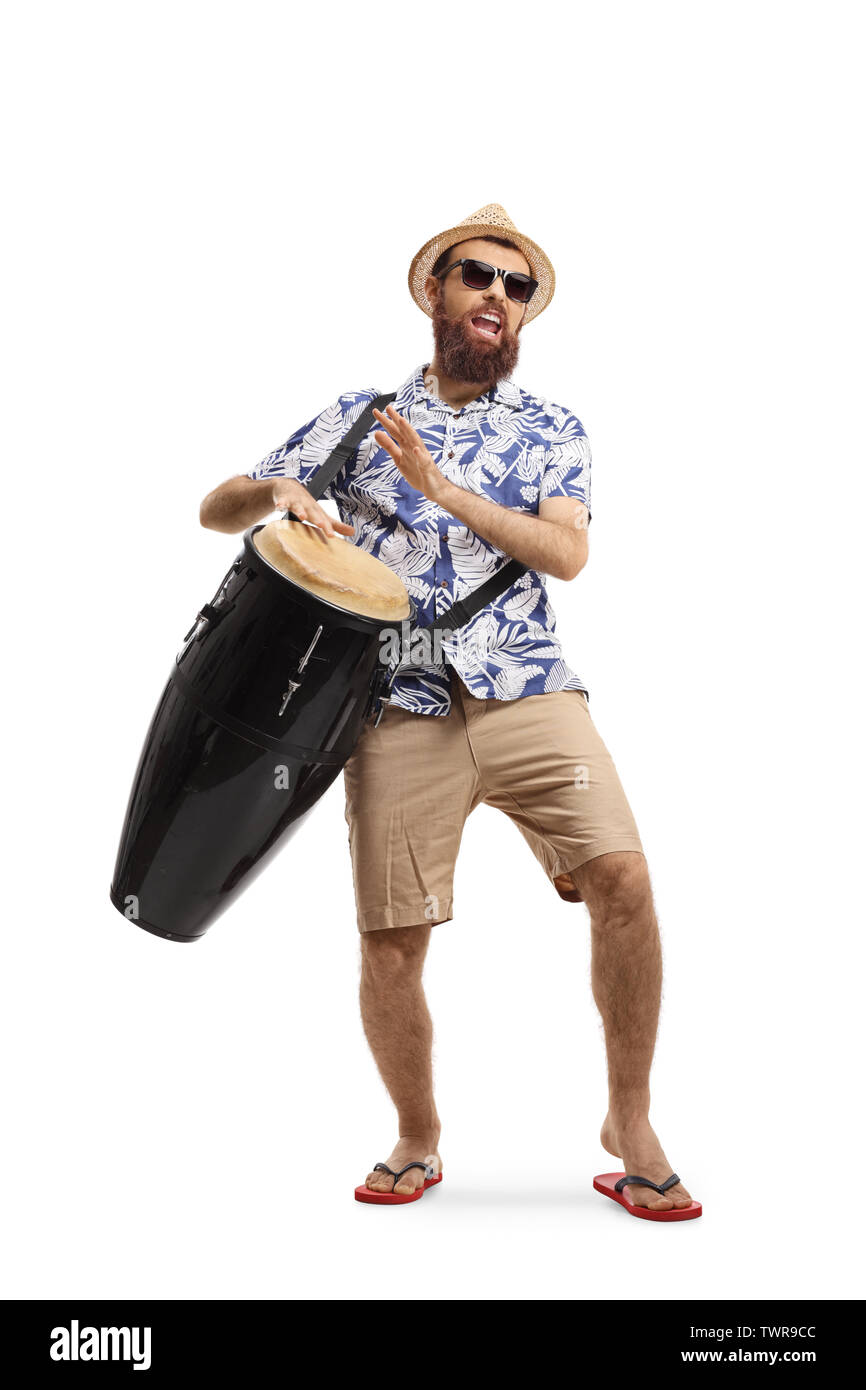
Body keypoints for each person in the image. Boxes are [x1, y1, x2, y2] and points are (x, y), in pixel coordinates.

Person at [200, 204, 696, 1217]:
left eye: (518, 287)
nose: (497, 296)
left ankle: (630, 1119)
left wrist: (443, 491)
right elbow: (216, 510)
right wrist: (276, 490)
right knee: (392, 939)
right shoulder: (357, 415)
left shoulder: (553, 427)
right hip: (394, 703)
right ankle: (416, 1134)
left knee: (625, 879)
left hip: (527, 689)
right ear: (436, 290)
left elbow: (567, 554)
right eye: (478, 275)